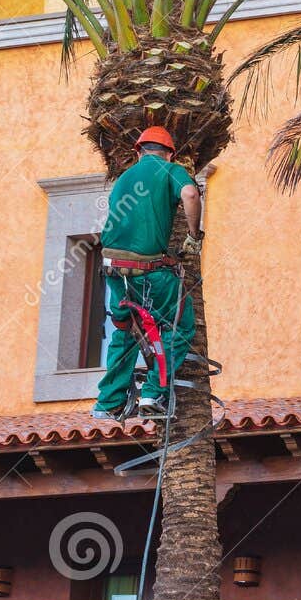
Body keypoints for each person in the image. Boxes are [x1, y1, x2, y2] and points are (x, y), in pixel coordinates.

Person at [91, 126, 203, 420]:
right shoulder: (170, 169)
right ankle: (153, 393)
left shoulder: (124, 179)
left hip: (113, 269)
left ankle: (109, 401)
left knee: (126, 327)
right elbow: (190, 194)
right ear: (170, 153)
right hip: (146, 271)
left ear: (137, 152)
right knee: (180, 325)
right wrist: (194, 236)